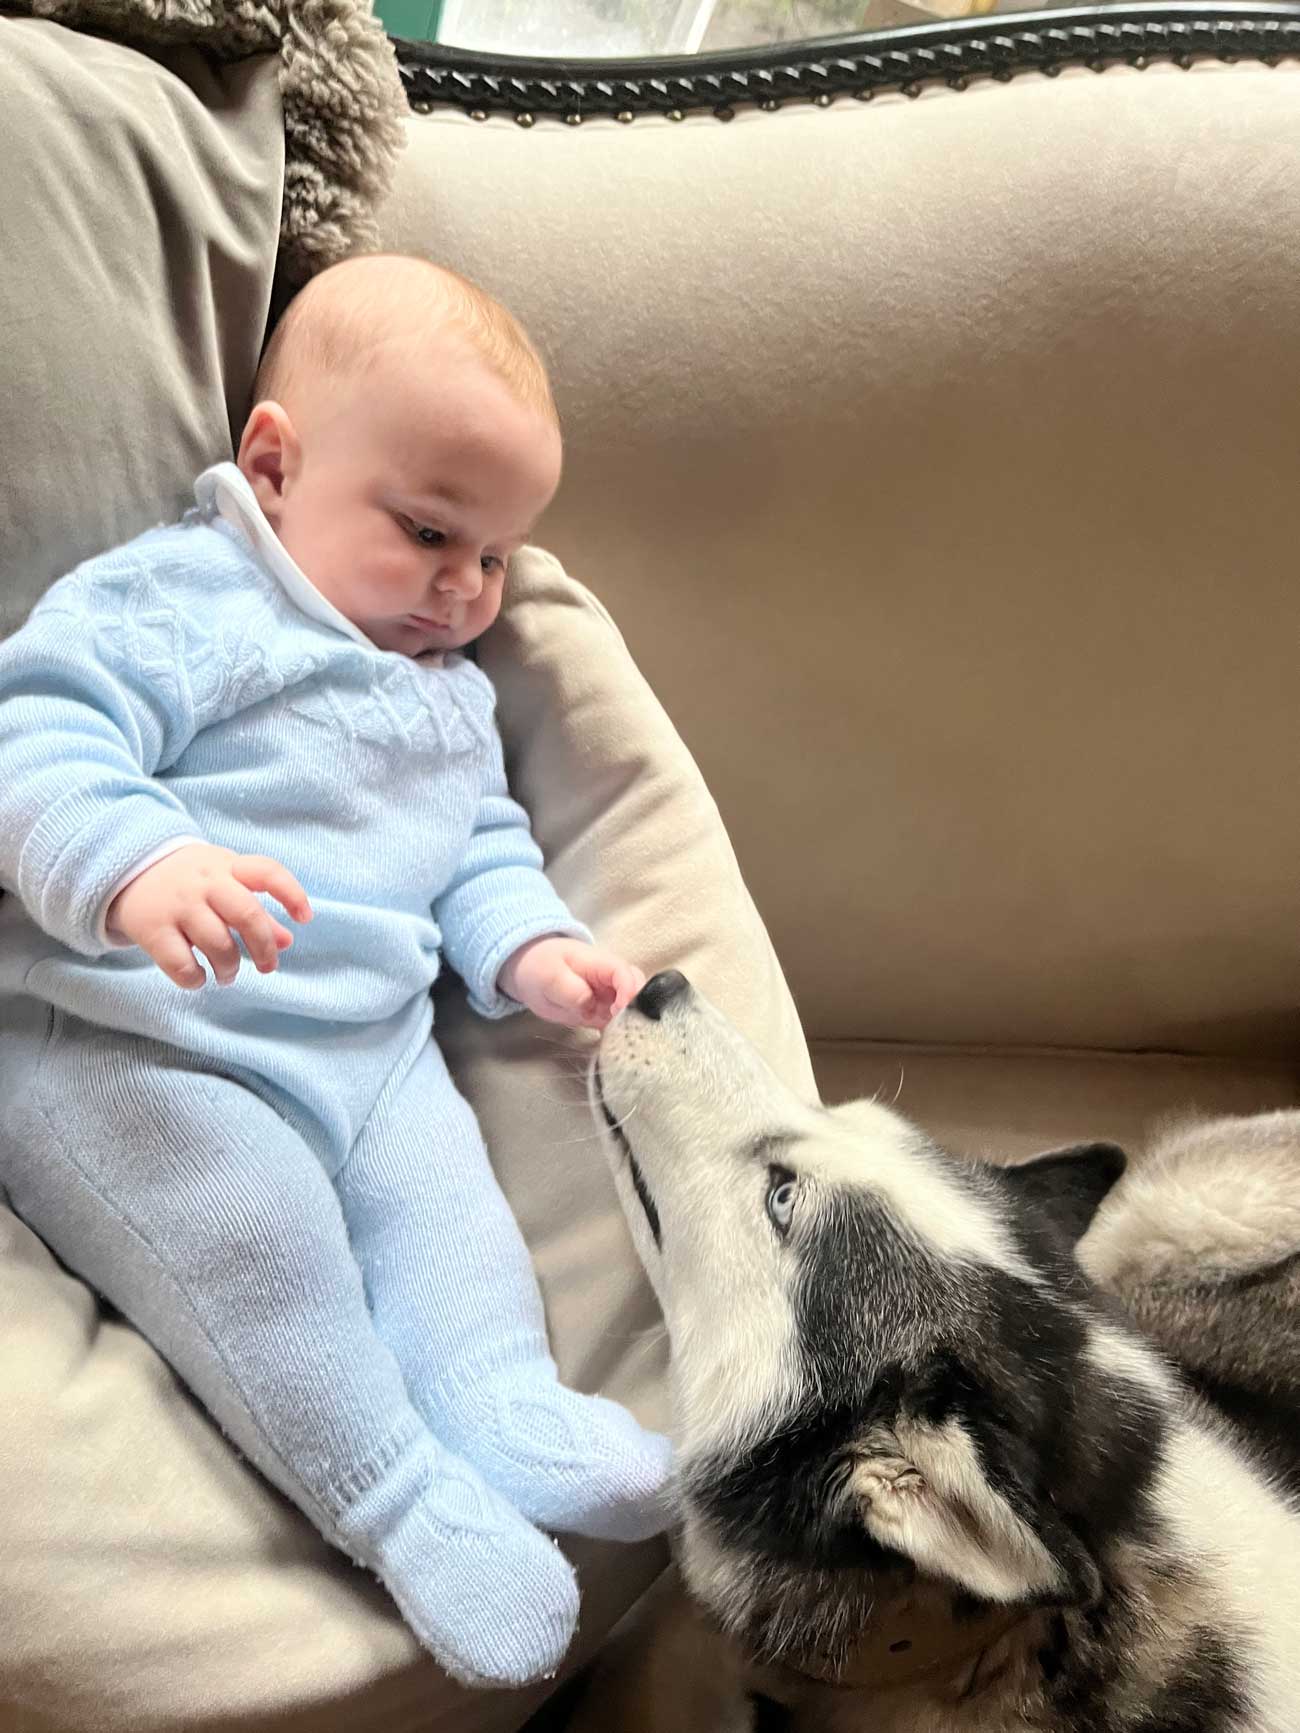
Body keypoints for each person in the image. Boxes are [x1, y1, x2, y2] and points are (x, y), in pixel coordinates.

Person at [0, 254, 671, 1689]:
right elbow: (36, 734)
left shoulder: (452, 694)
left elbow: (481, 841)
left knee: (455, 1220)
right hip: (138, 1038)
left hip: (370, 1051)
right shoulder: (184, 597)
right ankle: (394, 1493)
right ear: (276, 463)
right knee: (257, 1247)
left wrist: (534, 949)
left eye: (493, 554)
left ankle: (496, 1397)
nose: (465, 588)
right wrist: (134, 866)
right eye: (430, 531)